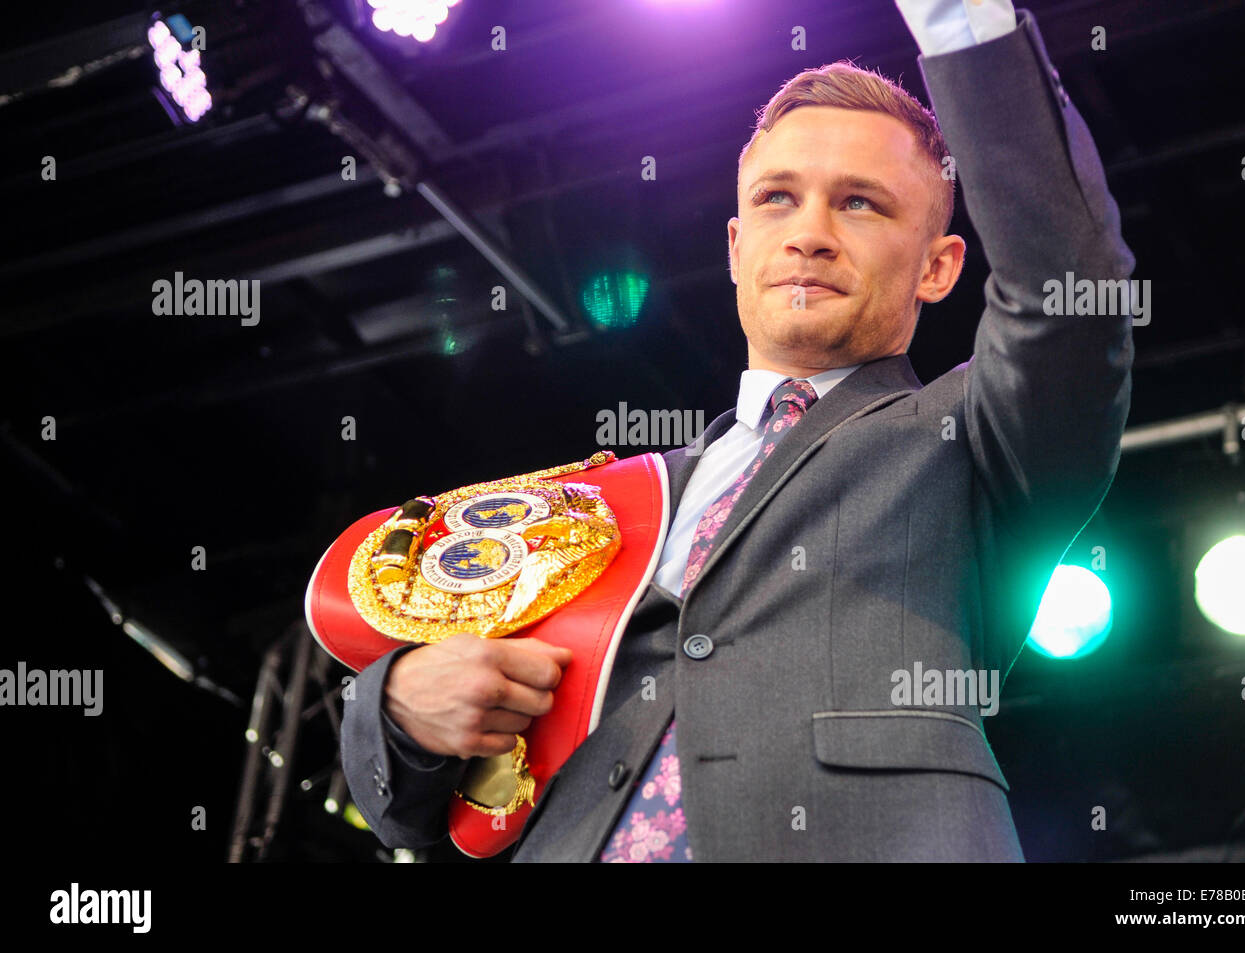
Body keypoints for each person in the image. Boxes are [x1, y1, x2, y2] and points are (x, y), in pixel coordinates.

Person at [338, 1, 1135, 861]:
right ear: (734, 245)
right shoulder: (606, 500)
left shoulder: (976, 441)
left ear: (937, 266)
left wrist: (959, 17)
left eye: (861, 203)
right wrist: (399, 709)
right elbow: (419, 809)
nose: (811, 235)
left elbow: (1069, 291)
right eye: (777, 198)